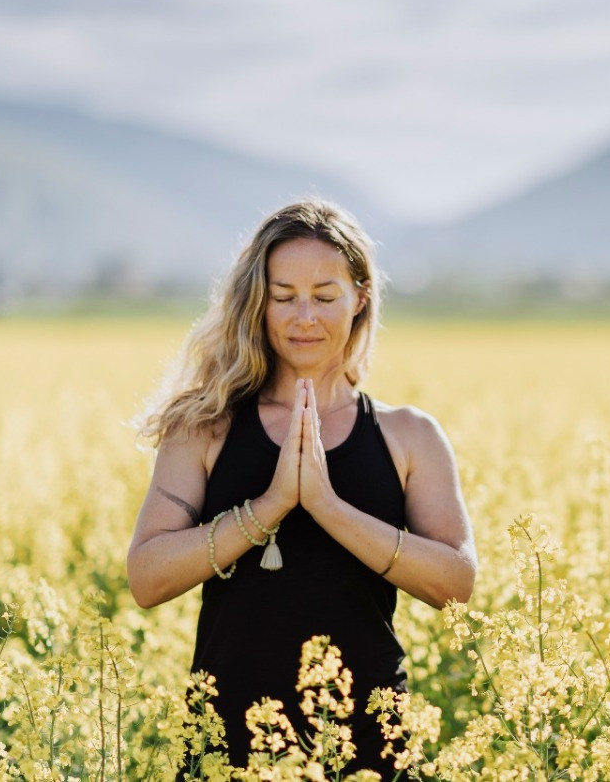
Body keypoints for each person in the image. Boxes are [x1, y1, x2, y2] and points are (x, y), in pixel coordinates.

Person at [127, 200, 477, 776]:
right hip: (230, 743)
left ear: (360, 296)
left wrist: (326, 506)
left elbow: (456, 584)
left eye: (324, 294)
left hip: (369, 744)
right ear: (257, 304)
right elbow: (146, 576)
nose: (304, 317)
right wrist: (268, 509)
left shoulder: (409, 436)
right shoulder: (204, 426)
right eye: (283, 297)